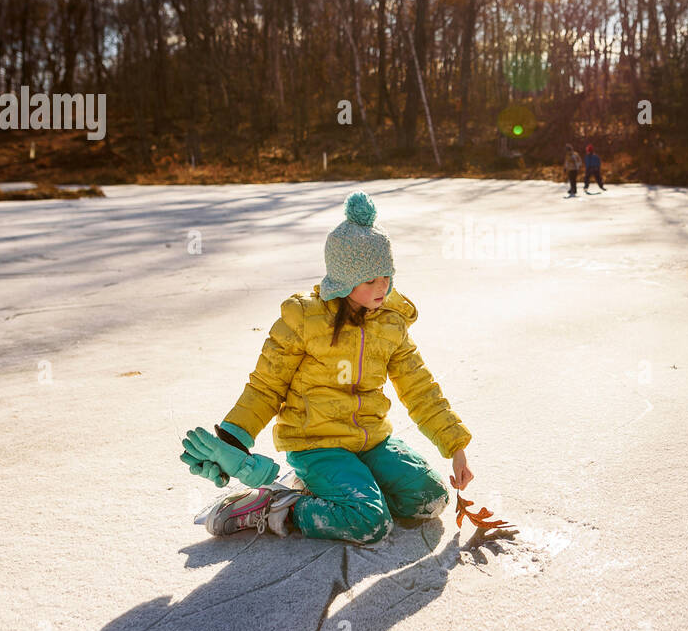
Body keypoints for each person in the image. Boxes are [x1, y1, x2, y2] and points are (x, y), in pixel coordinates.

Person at [180, 190, 475, 546]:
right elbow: (265, 386)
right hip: (316, 443)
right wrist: (233, 439)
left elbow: (420, 388)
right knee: (370, 522)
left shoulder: (391, 323)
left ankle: (351, 488)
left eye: (386, 275)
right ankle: (279, 508)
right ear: (346, 281)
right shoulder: (305, 320)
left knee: (430, 499)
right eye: (370, 280)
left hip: (370, 440)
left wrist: (455, 446)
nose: (382, 286)